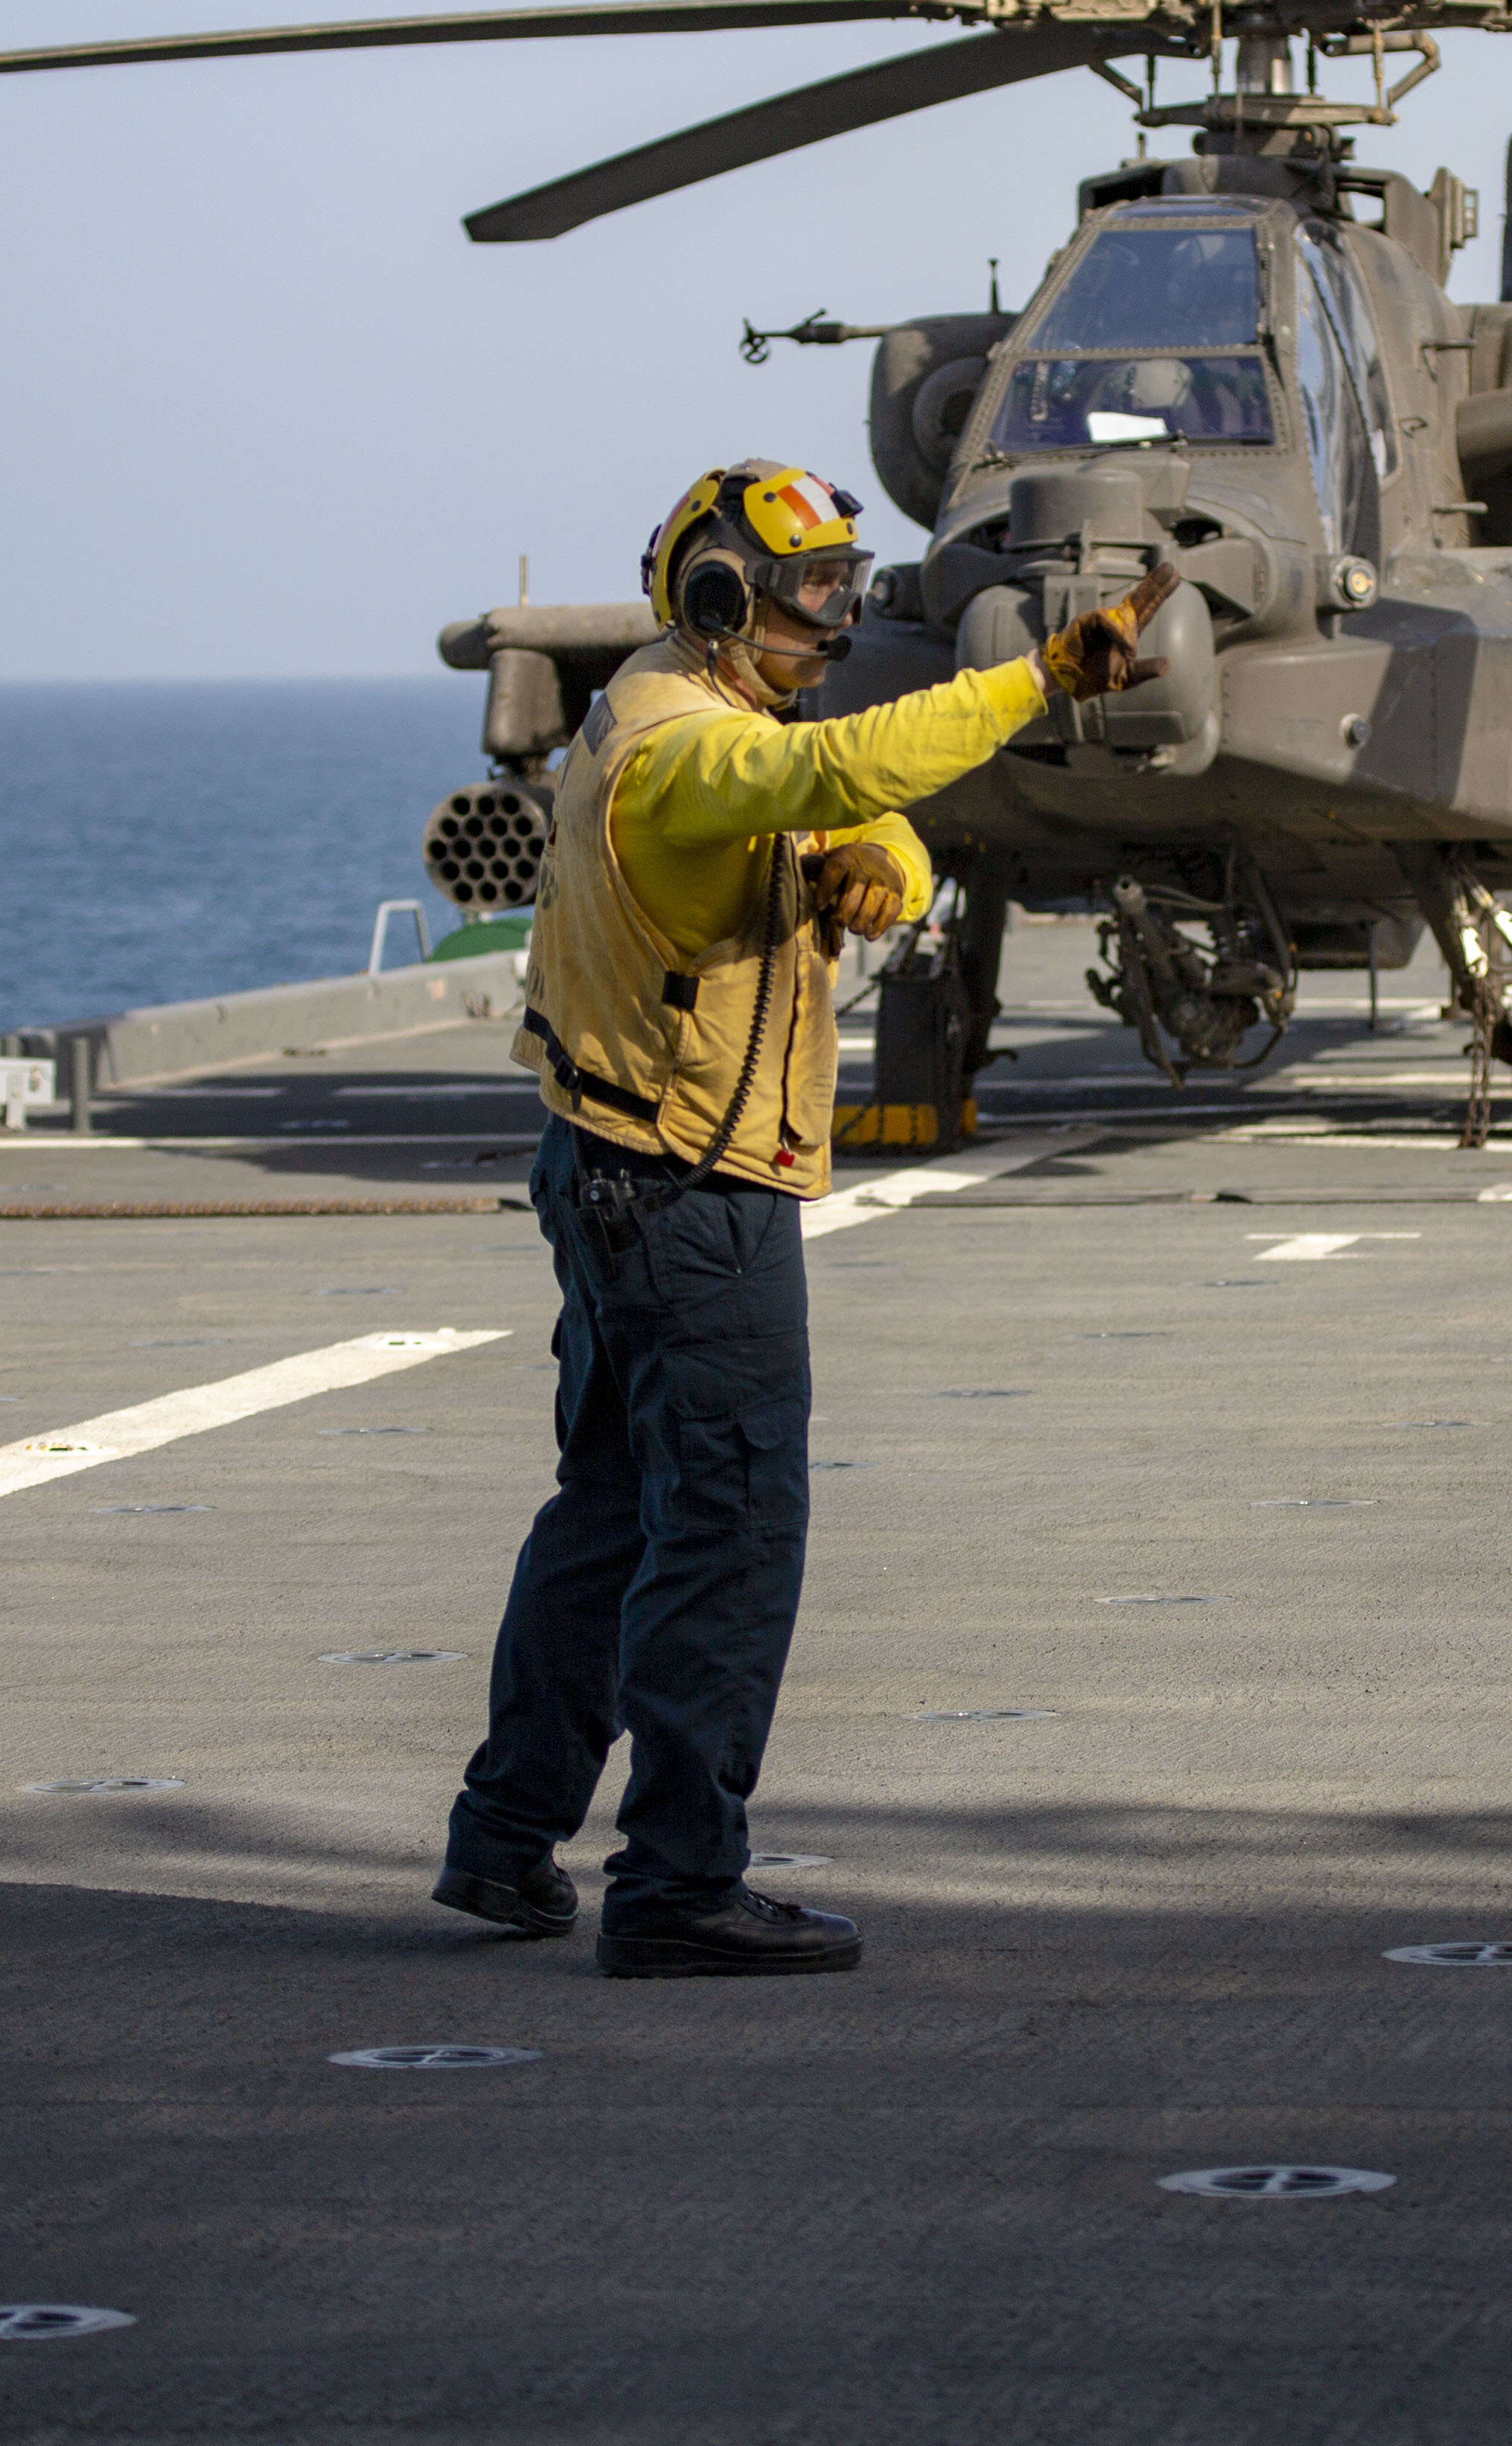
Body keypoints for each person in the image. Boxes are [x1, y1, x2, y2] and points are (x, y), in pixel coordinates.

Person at [434, 460, 1179, 1978]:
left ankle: (508, 1842)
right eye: (811, 601)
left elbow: (851, 807)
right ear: (722, 605)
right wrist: (1036, 681)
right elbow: (823, 775)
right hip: (693, 1194)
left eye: (847, 594)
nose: (834, 629)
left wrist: (880, 868)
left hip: (620, 1169)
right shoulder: (678, 755)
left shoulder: (684, 709)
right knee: (728, 1527)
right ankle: (679, 1881)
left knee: (608, 1517)